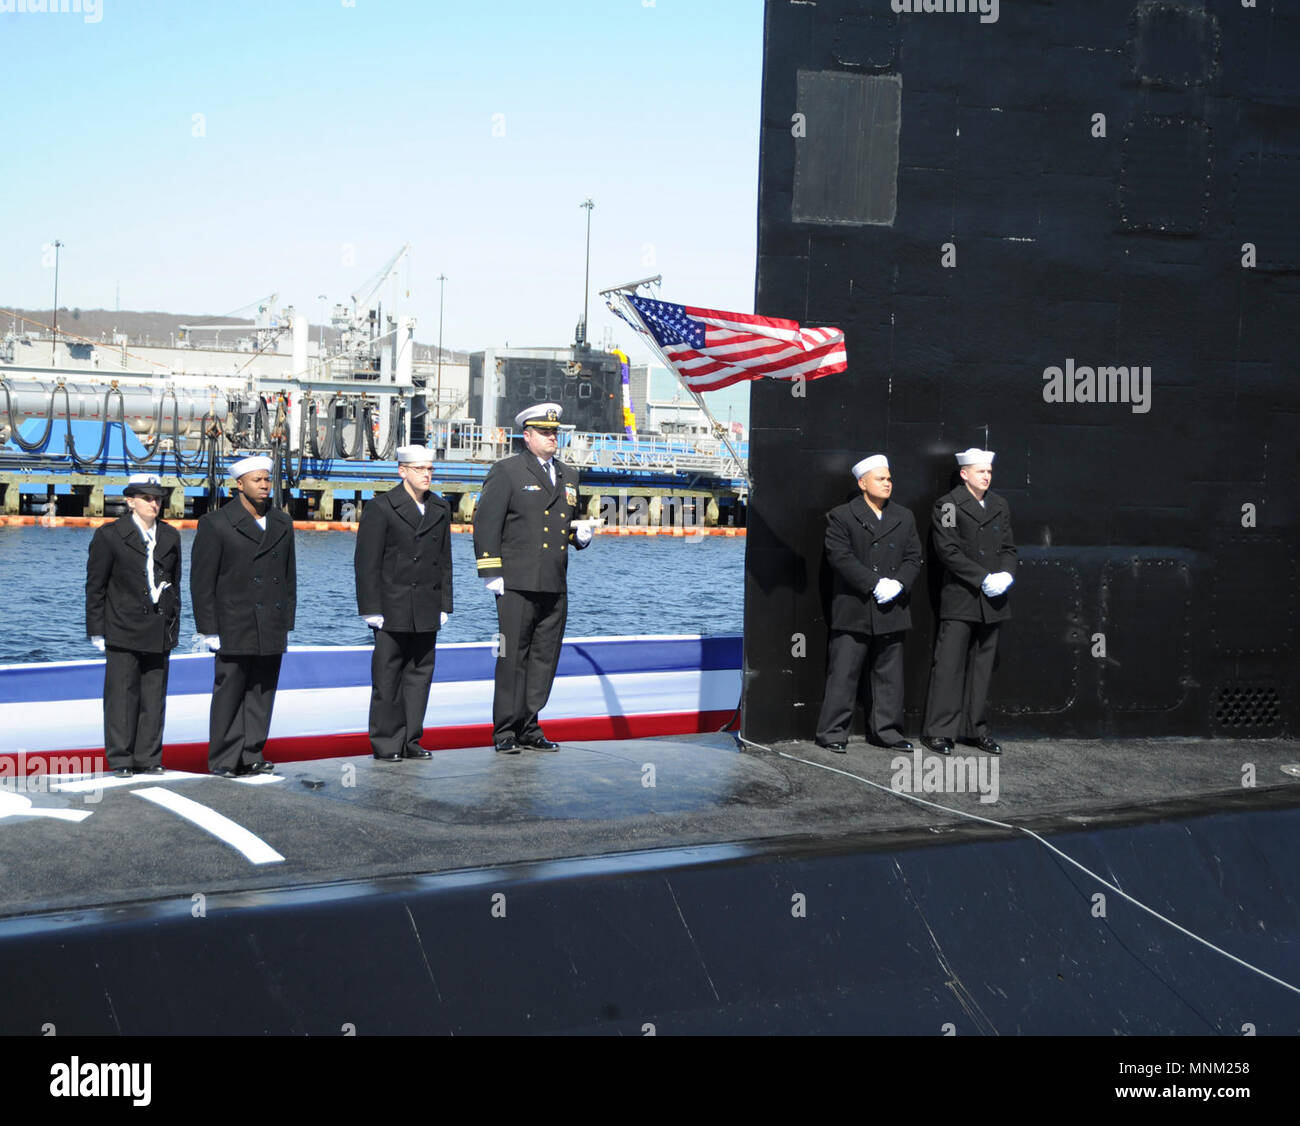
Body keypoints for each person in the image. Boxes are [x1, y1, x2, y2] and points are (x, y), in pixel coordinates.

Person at [473, 402, 593, 752]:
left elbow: (567, 522)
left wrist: (578, 536)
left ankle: (530, 724)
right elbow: (486, 522)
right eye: (545, 432)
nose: (552, 437)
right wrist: (490, 571)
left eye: (555, 432)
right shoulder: (507, 471)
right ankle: (505, 731)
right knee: (512, 656)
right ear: (527, 436)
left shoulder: (569, 475)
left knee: (544, 655)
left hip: (553, 581)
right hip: (516, 582)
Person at [190, 455, 297, 777]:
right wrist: (208, 629)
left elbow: (289, 576)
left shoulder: (282, 522)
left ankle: (251, 753)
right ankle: (224, 759)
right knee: (230, 691)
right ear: (239, 484)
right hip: (232, 622)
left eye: (267, 480)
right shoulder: (216, 523)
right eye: (257, 480)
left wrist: (286, 620)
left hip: (270, 622)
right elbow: (202, 581)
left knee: (262, 691)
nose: (264, 486)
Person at [814, 455, 922, 753]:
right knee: (844, 673)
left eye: (889, 478)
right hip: (855, 606)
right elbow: (840, 557)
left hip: (892, 607)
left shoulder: (904, 516)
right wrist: (874, 583)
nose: (887, 483)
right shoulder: (842, 516)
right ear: (863, 483)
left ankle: (887, 732)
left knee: (889, 676)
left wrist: (898, 584)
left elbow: (914, 557)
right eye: (880, 478)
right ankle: (833, 732)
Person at [354, 445, 453, 761]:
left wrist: (444, 604)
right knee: (388, 677)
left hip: (426, 604)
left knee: (420, 675)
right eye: (419, 469)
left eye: (430, 469)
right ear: (402, 471)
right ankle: (386, 742)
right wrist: (371, 608)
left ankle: (411, 739)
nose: (426, 474)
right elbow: (366, 563)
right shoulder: (381, 508)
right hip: (391, 606)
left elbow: (444, 561)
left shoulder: (439, 508)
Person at [85, 473, 181, 778]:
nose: (155, 504)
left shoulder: (169, 536)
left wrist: (173, 625)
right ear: (131, 501)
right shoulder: (110, 536)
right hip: (122, 627)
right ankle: (121, 759)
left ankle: (149, 757)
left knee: (154, 697)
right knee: (122, 698)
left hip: (157, 629)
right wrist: (96, 629)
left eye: (158, 498)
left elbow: (174, 585)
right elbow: (96, 586)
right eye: (147, 498)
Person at [922, 448, 1016, 756]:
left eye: (989, 471)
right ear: (965, 474)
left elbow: (1008, 547)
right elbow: (948, 551)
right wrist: (983, 578)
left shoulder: (999, 505)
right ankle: (939, 731)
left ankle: (975, 729)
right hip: (962, 597)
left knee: (982, 667)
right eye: (980, 471)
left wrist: (1005, 575)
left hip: (993, 600)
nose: (987, 476)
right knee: (949, 666)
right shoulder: (948, 505)